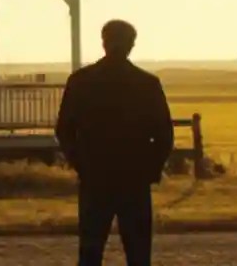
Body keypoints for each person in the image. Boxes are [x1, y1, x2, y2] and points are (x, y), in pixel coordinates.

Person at [55, 19, 174, 266]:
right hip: (134, 178)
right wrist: (150, 170)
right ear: (132, 44)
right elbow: (164, 135)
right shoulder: (146, 83)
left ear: (104, 42)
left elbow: (64, 130)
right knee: (138, 252)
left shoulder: (81, 81)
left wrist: (81, 164)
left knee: (90, 250)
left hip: (95, 177)